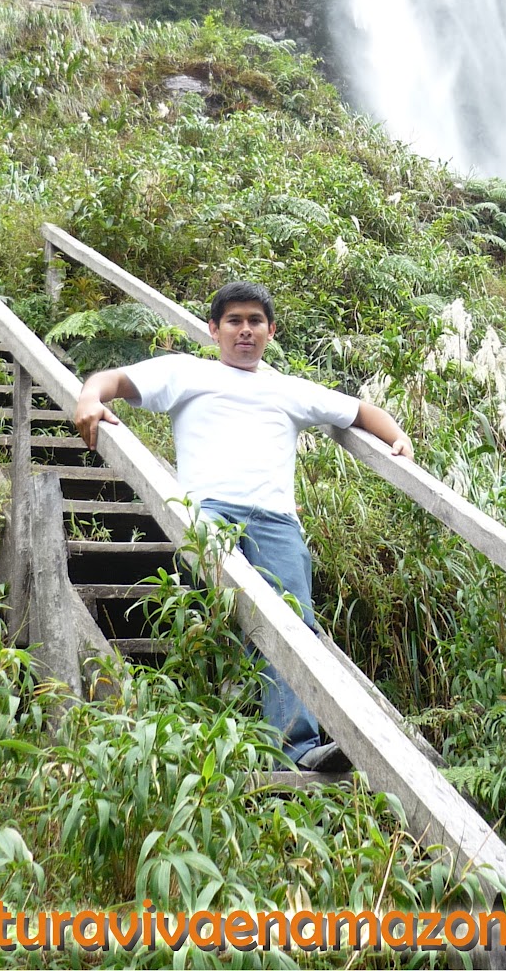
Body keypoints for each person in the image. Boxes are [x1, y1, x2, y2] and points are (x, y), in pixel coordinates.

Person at [73, 280, 414, 772]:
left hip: (276, 522)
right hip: (208, 514)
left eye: (256, 321)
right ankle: (212, 733)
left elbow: (361, 411)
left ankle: (295, 749)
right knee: (228, 615)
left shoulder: (288, 389)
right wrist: (89, 399)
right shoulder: (185, 372)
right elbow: (112, 381)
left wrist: (397, 436)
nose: (245, 330)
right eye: (234, 321)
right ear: (214, 330)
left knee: (294, 625)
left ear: (271, 332)